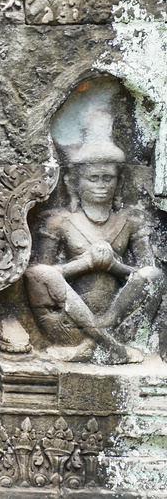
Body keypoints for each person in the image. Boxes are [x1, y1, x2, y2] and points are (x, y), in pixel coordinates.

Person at [25, 136, 163, 364]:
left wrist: (115, 266)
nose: (101, 185)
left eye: (108, 178)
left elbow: (147, 271)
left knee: (153, 275)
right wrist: (85, 264)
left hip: (119, 320)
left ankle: (95, 341)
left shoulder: (131, 220)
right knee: (38, 274)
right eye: (93, 178)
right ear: (73, 183)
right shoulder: (59, 221)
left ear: (118, 183)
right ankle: (108, 346)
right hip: (70, 321)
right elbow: (41, 273)